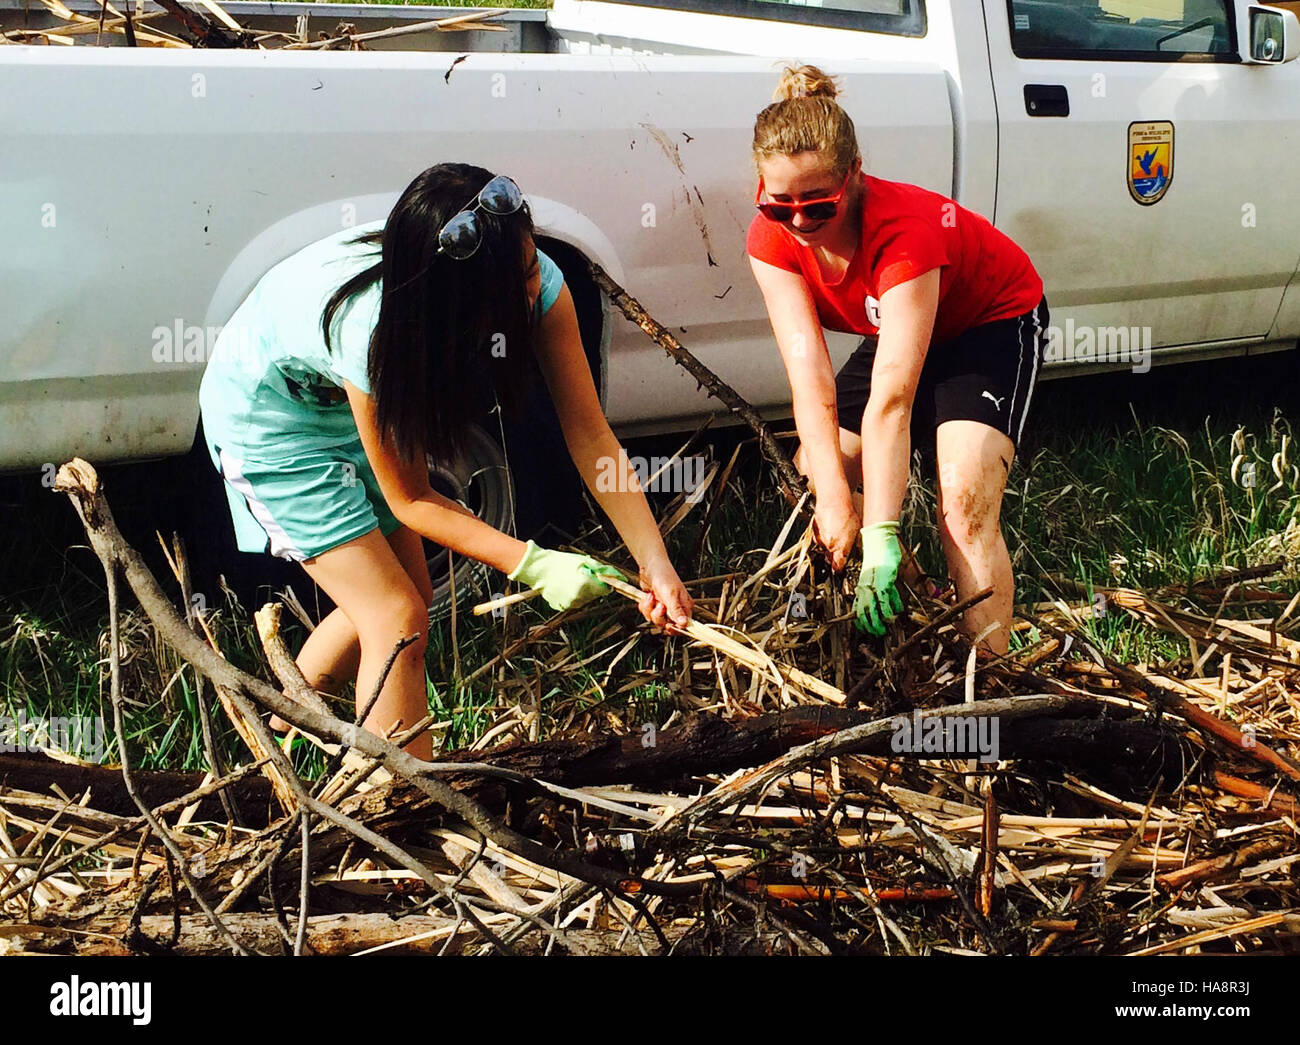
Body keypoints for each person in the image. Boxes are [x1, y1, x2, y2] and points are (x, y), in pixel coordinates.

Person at [199, 163, 693, 760]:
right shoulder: (372, 328)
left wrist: (653, 561)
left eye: (530, 267)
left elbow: (590, 434)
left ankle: (273, 739)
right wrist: (533, 564)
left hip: (353, 399)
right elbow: (412, 500)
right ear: (453, 302)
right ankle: (402, 793)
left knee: (409, 596)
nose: (532, 292)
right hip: (273, 418)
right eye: (513, 289)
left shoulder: (533, 279)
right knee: (396, 614)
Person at [745, 66, 1047, 654]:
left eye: (818, 204)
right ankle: (918, 591)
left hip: (987, 322)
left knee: (961, 505)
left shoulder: (906, 231)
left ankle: (989, 681)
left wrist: (880, 530)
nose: (800, 222)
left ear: (855, 175)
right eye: (781, 205)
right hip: (902, 327)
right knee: (814, 471)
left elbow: (892, 401)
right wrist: (836, 502)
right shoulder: (770, 239)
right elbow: (809, 383)